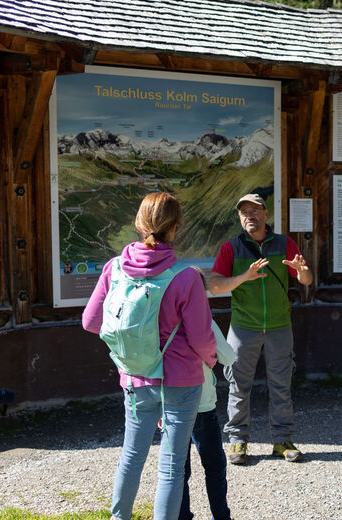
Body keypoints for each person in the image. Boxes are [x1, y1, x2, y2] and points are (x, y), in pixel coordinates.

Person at [82, 192, 217, 520]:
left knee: (131, 456)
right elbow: (202, 338)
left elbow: (90, 321)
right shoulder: (186, 277)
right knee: (171, 468)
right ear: (175, 229)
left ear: (139, 224)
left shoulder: (114, 269)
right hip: (181, 380)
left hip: (135, 375)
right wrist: (212, 360)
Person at [208, 193, 313, 464]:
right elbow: (216, 286)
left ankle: (282, 441)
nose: (249, 216)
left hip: (279, 326)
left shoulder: (284, 244)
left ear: (265, 213)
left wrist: (301, 271)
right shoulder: (231, 247)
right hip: (243, 328)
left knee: (281, 385)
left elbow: (306, 279)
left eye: (254, 211)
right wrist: (245, 277)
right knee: (238, 385)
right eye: (243, 212)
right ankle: (238, 442)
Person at [179, 267, 234, 520]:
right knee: (214, 466)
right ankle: (221, 517)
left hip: (171, 403)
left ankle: (180, 516)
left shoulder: (164, 319)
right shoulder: (204, 320)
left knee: (178, 470)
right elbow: (228, 356)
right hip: (202, 404)